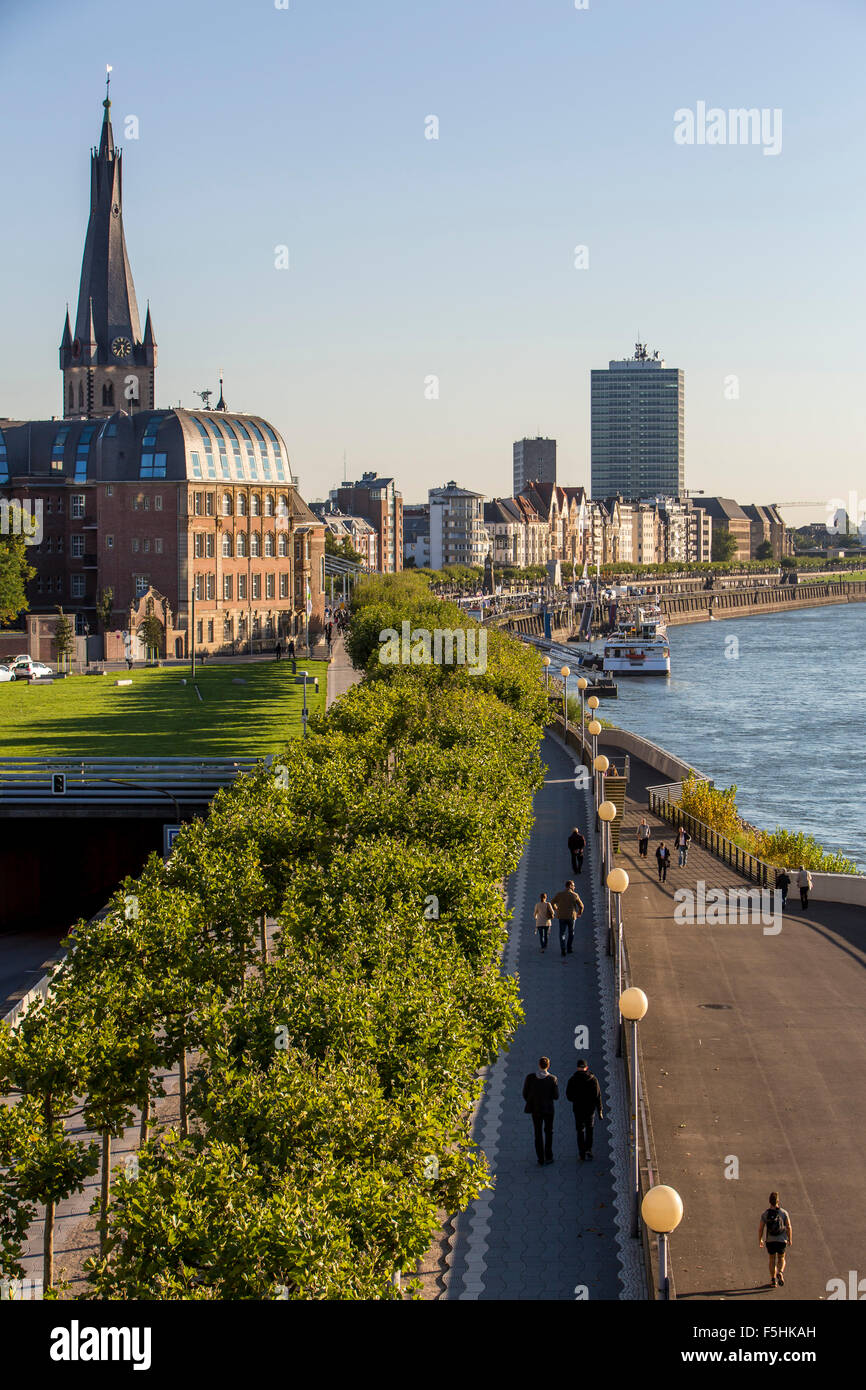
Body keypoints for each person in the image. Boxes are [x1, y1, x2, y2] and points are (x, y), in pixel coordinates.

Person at [565, 1059, 604, 1161]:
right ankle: (589, 1149)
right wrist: (600, 1109)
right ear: (586, 1068)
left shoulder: (572, 1080)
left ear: (578, 1068)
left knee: (580, 1130)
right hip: (590, 1109)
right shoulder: (593, 1079)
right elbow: (598, 1095)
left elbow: (568, 1096)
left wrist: (576, 1099)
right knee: (590, 1129)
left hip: (578, 1109)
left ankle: (581, 1153)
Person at [522, 1057, 559, 1166]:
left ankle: (540, 1158)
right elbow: (556, 1096)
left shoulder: (530, 1078)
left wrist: (532, 1102)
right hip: (549, 1110)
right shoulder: (553, 1079)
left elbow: (525, 1093)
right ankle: (549, 1156)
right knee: (549, 1132)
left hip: (536, 1110)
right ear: (548, 1066)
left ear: (539, 1065)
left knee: (537, 1133)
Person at [758, 1192, 792, 1287]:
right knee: (781, 1258)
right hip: (782, 1240)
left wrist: (760, 1239)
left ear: (769, 1201)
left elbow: (761, 1228)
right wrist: (790, 1238)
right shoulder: (784, 1213)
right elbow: (789, 1227)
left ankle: (773, 1280)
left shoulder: (765, 1214)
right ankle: (780, 1272)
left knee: (772, 1259)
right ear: (778, 1201)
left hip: (770, 1240)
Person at [551, 880, 584, 959]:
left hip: (561, 916)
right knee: (571, 932)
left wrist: (556, 909)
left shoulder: (559, 894)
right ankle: (569, 948)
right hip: (571, 917)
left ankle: (563, 949)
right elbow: (581, 906)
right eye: (573, 885)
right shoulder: (575, 895)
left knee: (562, 933)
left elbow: (552, 903)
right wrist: (579, 913)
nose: (574, 887)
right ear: (570, 886)